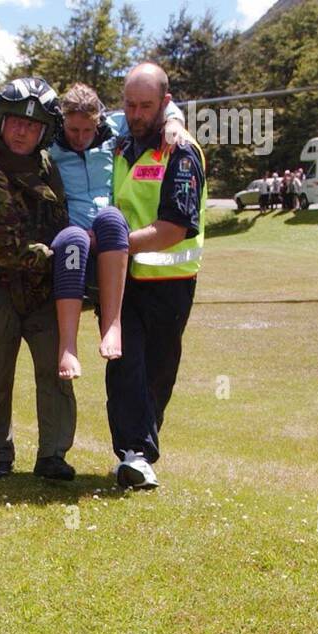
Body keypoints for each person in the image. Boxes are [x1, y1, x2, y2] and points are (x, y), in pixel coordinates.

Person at [0, 83, 187, 380]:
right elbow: (13, 144)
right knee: (72, 238)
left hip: (108, 234)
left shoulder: (114, 131)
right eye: (73, 130)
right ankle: (68, 346)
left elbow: (160, 109)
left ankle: (112, 326)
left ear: (98, 122)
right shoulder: (52, 144)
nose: (80, 138)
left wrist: (175, 121)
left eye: (87, 131)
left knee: (112, 218)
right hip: (73, 232)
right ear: (63, 123)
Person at [0, 77, 76, 482]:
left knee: (55, 374)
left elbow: (95, 128)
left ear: (45, 131)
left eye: (32, 125)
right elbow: (5, 250)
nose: (23, 130)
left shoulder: (48, 169)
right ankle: (0, 454)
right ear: (0, 124)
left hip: (44, 294)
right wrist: (65, 258)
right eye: (14, 122)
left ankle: (52, 456)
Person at [102, 62, 207, 491]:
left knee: (159, 372)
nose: (137, 113)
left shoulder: (182, 152)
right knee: (124, 364)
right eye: (129, 104)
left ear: (166, 103)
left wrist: (117, 244)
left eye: (146, 105)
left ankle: (140, 449)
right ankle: (135, 454)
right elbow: (73, 124)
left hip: (170, 283)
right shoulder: (122, 144)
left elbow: (174, 228)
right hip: (124, 282)